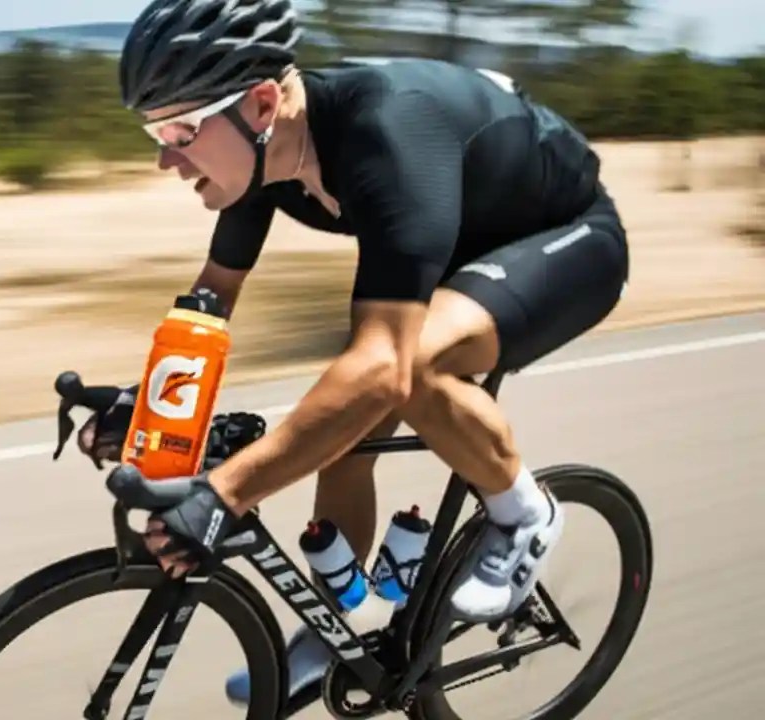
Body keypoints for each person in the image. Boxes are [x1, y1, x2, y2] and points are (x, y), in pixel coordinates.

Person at [74, 0, 630, 706]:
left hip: (568, 236)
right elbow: (209, 303)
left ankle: (524, 513)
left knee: (404, 368)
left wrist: (225, 492)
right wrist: (147, 404)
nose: (164, 157)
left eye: (180, 129)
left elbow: (386, 365)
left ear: (263, 102)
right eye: (155, 131)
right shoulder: (259, 157)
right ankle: (340, 625)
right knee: (343, 418)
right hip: (455, 232)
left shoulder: (387, 133)